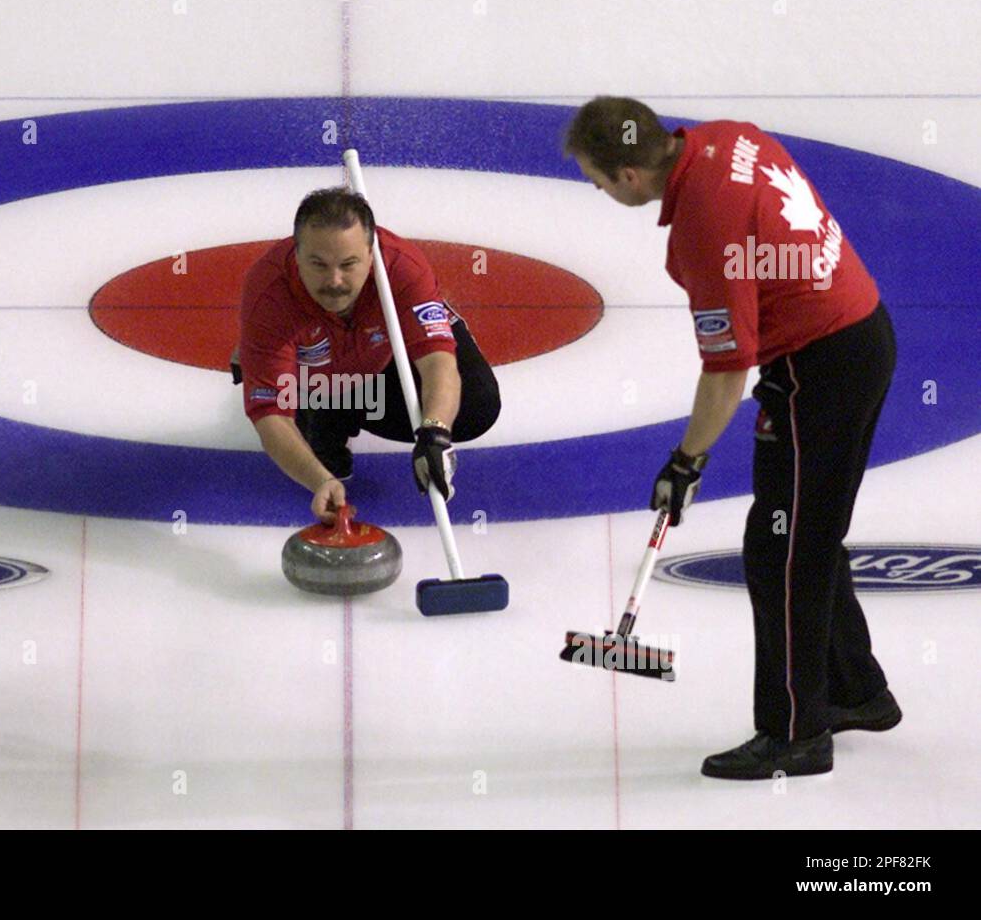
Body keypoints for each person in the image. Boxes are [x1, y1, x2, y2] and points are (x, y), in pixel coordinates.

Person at [564, 96, 901, 779]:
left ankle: (795, 733)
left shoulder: (704, 227)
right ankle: (856, 689)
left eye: (596, 178)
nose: (596, 190)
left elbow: (726, 369)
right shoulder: (725, 138)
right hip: (861, 333)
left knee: (779, 551)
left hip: (820, 370)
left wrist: (685, 460)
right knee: (811, 532)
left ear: (629, 173)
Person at [237, 188, 501, 522]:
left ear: (371, 255)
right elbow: (270, 412)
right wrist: (321, 480)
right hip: (318, 374)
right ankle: (323, 405)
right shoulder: (268, 295)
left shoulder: (402, 266)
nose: (335, 281)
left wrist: (434, 432)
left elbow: (437, 362)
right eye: (318, 264)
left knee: (476, 404)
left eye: (349, 264)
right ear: (297, 253)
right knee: (316, 447)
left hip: (384, 353)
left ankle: (341, 404)